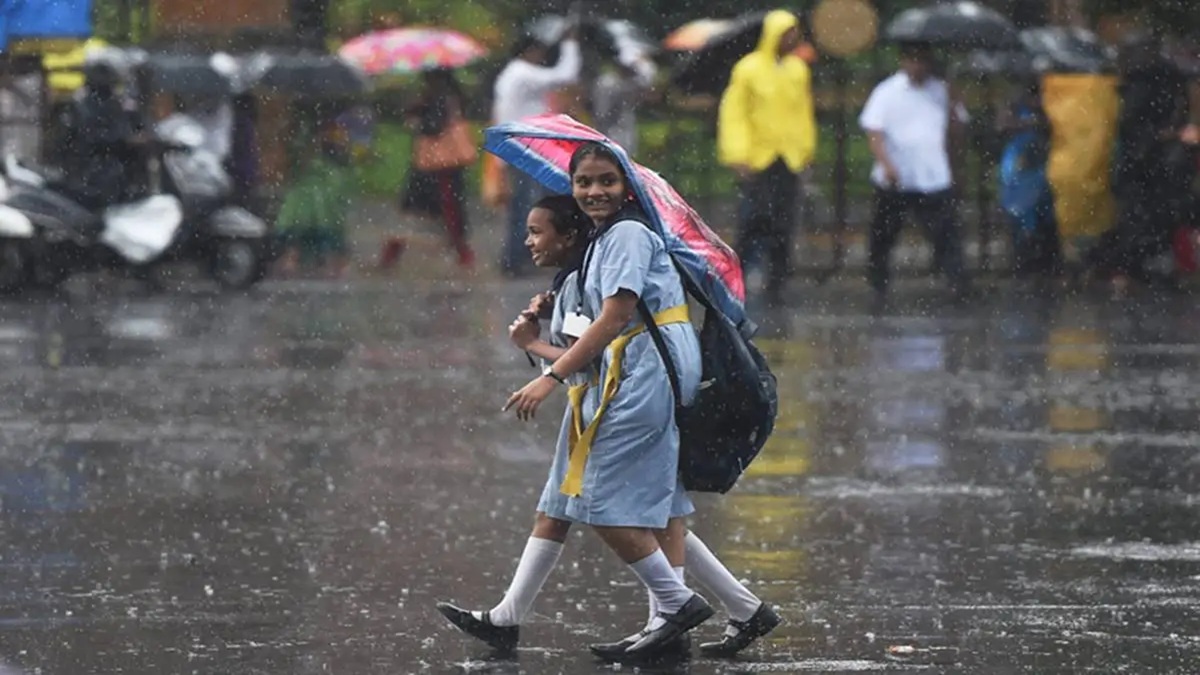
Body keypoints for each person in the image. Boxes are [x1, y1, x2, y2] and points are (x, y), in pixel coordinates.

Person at [436, 194, 779, 661]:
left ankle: (674, 609)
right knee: (567, 510)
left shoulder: (599, 269)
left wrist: (534, 347)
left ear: (569, 236)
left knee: (618, 508)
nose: (528, 241)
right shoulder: (578, 277)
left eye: (537, 232)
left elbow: (592, 357)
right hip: (594, 403)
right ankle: (508, 617)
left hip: (615, 400)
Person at [859, 41, 972, 302]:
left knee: (945, 233)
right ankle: (878, 283)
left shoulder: (941, 90)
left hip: (932, 175)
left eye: (922, 60)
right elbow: (874, 131)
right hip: (896, 176)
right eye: (912, 60)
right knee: (883, 234)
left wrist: (954, 102)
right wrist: (887, 164)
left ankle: (956, 282)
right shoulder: (887, 91)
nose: (917, 66)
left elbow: (957, 131)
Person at [718, 9, 817, 305]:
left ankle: (778, 281)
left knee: (783, 222)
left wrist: (805, 151)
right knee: (753, 220)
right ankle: (738, 278)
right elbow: (735, 113)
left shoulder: (798, 69)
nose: (791, 39)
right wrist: (738, 153)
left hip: (788, 158)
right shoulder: (748, 69)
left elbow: (803, 113)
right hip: (758, 158)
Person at [1088, 31, 1191, 288]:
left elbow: (1143, 117)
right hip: (1141, 159)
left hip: (1150, 159)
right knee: (1140, 214)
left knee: (1148, 214)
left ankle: (1143, 266)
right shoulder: (1143, 80)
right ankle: (1137, 266)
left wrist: (1163, 133)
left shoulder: (1157, 79)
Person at [492, 28, 582, 276]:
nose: (541, 56)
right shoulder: (523, 73)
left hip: (518, 147)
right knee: (529, 206)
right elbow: (566, 75)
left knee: (527, 204)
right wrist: (571, 45)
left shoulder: (510, 75)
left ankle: (520, 257)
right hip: (526, 149)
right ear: (529, 51)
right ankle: (517, 259)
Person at [401, 69, 477, 269]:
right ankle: (461, 251)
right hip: (445, 163)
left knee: (434, 208)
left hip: (437, 163)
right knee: (446, 209)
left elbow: (433, 127)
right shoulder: (450, 96)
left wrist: (417, 119)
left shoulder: (439, 98)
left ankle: (462, 252)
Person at [60, 61, 147, 211]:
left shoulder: (117, 104)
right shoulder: (86, 105)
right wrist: (124, 141)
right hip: (95, 168)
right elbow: (89, 136)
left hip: (113, 167)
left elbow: (133, 127)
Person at [996, 77, 1061, 278]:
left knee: (1046, 215)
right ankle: (1023, 264)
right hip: (1019, 168)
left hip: (1043, 168)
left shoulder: (1053, 104)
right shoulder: (1015, 104)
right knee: (1020, 217)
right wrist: (1025, 121)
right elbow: (1001, 125)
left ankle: (1048, 265)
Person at [591, 46, 656, 156]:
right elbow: (602, 113)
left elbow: (646, 82)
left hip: (624, 129)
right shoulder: (608, 84)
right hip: (611, 130)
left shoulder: (624, 83)